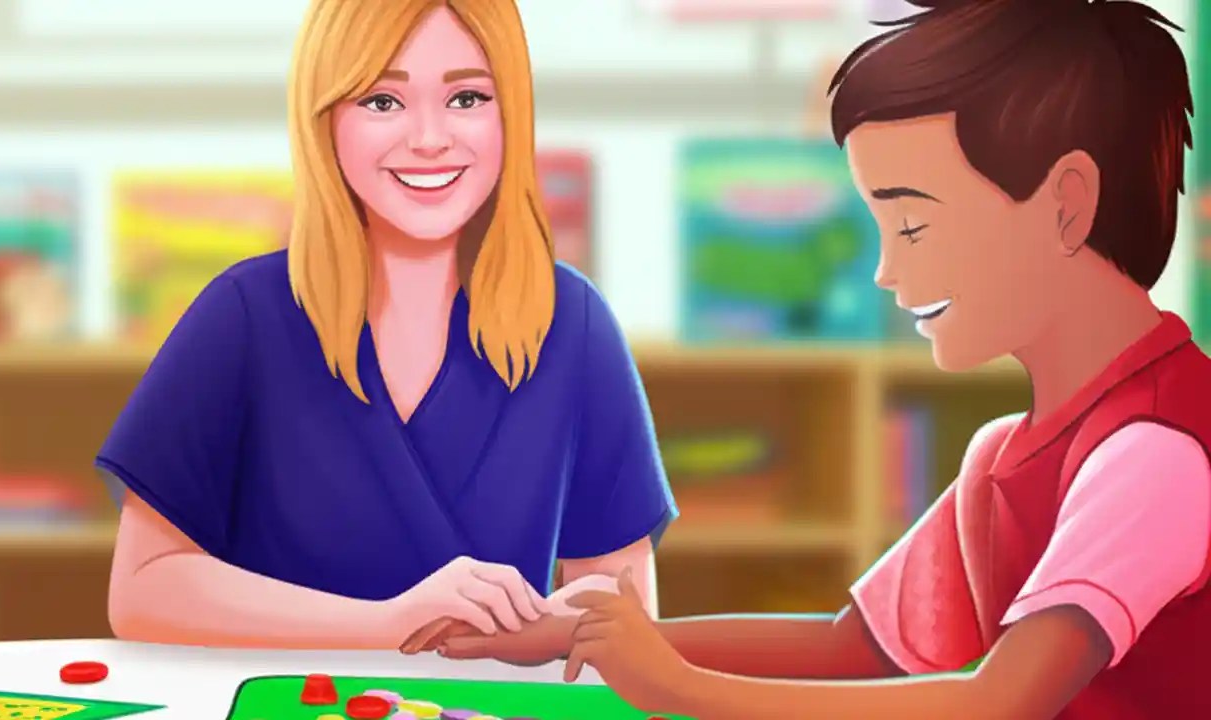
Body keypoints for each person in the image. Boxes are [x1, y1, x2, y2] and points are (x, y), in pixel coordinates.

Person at [414, 0, 1211, 716]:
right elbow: (856, 648)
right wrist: (576, 632)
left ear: (1066, 203)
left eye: (914, 227)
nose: (886, 272)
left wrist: (677, 687)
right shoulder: (1004, 453)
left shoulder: (1155, 451)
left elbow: (1002, 701)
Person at [98, 0, 677, 650]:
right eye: (381, 101)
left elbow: (623, 613)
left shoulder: (573, 325)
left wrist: (564, 623)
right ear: (325, 120)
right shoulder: (244, 316)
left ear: (512, 113)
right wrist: (391, 623)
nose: (430, 138)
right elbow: (144, 588)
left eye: (467, 98)